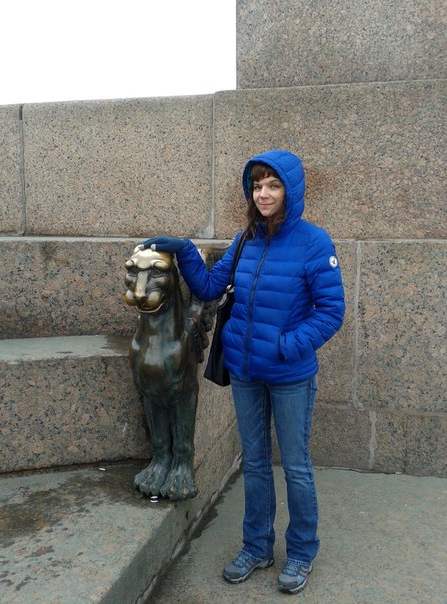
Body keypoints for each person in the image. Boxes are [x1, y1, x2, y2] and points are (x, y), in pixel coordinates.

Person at [142, 149, 345, 595]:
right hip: (245, 371)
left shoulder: (315, 242)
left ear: (291, 190)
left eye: (273, 185)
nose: (263, 194)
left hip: (290, 375)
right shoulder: (245, 239)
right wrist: (184, 251)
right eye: (257, 185)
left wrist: (286, 345)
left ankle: (301, 551)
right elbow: (210, 287)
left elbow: (332, 311)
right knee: (254, 463)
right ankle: (256, 546)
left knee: (295, 466)